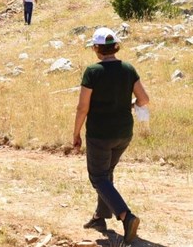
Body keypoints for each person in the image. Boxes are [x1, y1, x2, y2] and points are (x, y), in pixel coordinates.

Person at [72, 27, 149, 243]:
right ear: (116, 46)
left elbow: (82, 107)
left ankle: (126, 216)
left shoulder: (93, 72)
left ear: (96, 48)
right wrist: (129, 104)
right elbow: (144, 99)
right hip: (124, 133)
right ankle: (100, 217)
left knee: (98, 177)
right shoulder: (128, 69)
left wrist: (76, 133)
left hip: (100, 134)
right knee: (106, 174)